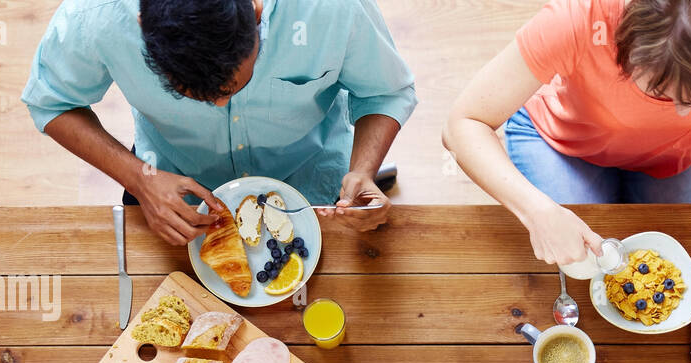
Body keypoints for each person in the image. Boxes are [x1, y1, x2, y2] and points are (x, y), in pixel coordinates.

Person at [443, 0, 691, 363]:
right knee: (578, 263)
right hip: (565, 141)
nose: (679, 113)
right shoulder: (580, 16)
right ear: (622, 43)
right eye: (662, 94)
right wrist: (537, 211)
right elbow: (462, 124)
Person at [22, 0, 418, 245]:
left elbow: (384, 91)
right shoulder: (97, 14)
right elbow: (52, 103)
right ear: (143, 24)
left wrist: (363, 170)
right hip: (178, 197)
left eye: (232, 86)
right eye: (191, 93)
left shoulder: (331, 7)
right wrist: (139, 178)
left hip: (316, 188)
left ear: (256, 13)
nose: (220, 104)